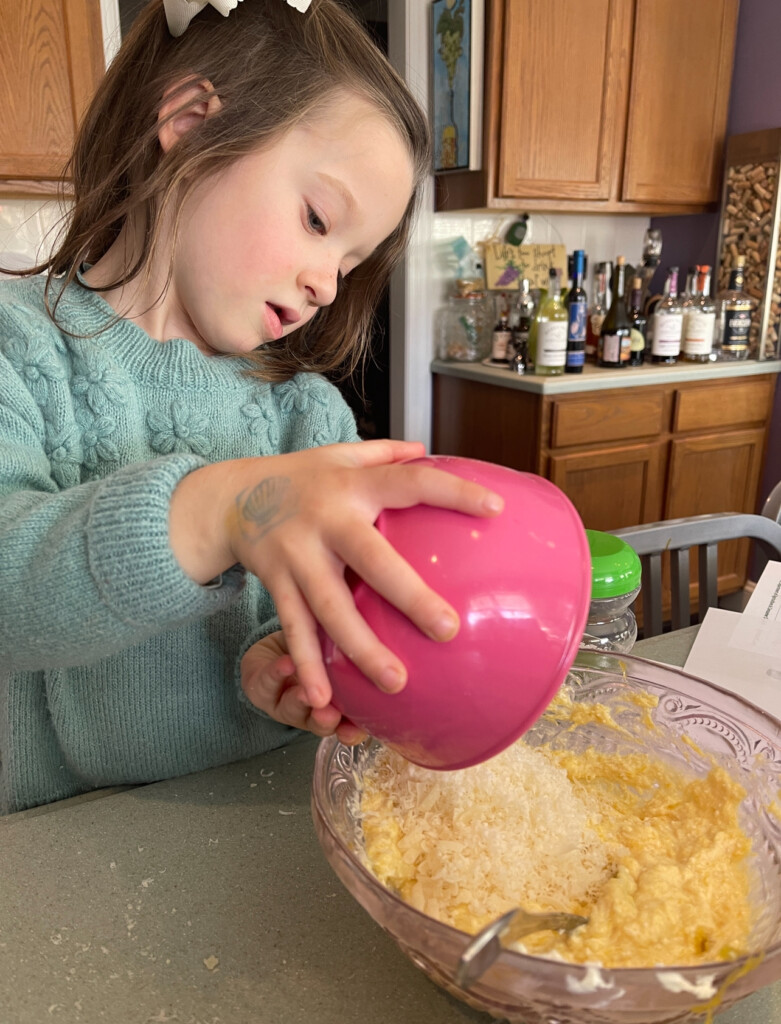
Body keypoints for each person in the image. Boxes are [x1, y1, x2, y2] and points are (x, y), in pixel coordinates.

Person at [0, 0, 504, 813]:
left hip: (242, 836)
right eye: (317, 220)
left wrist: (279, 670)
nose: (328, 282)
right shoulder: (17, 349)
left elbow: (294, 632)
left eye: (351, 259)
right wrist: (222, 510)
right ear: (192, 121)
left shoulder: (308, 421)